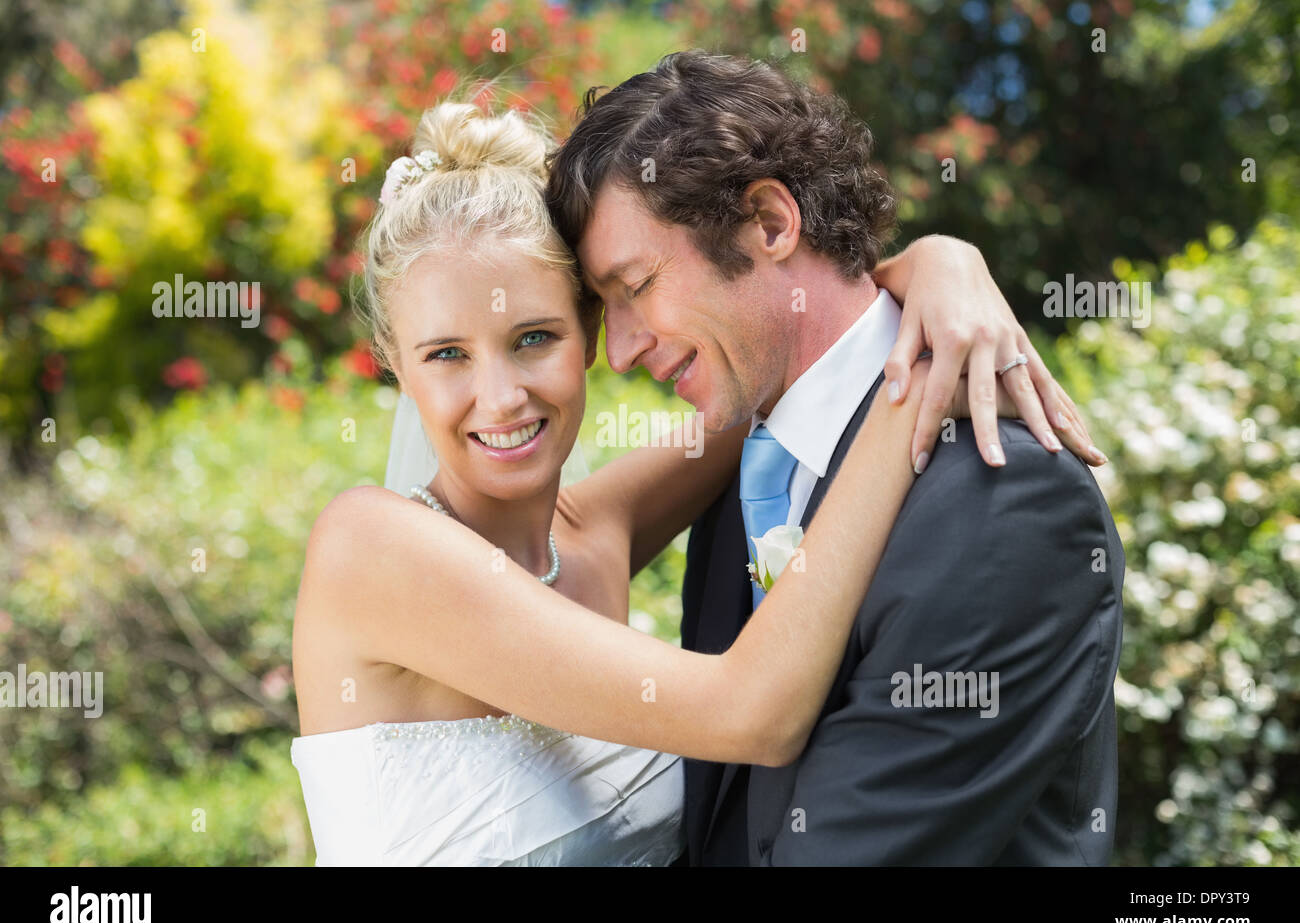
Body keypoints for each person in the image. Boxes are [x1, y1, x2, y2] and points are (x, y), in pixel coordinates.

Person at [289, 94, 1097, 865]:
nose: (501, 396)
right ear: (395, 365)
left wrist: (943, 267)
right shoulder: (370, 548)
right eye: (445, 355)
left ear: (589, 330)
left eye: (534, 337)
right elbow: (751, 713)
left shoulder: (598, 531)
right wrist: (914, 393)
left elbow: (799, 357)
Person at [545, 50, 1124, 865]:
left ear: (773, 224)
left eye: (634, 287)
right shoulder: (745, 456)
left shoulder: (1009, 502)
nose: (623, 350)